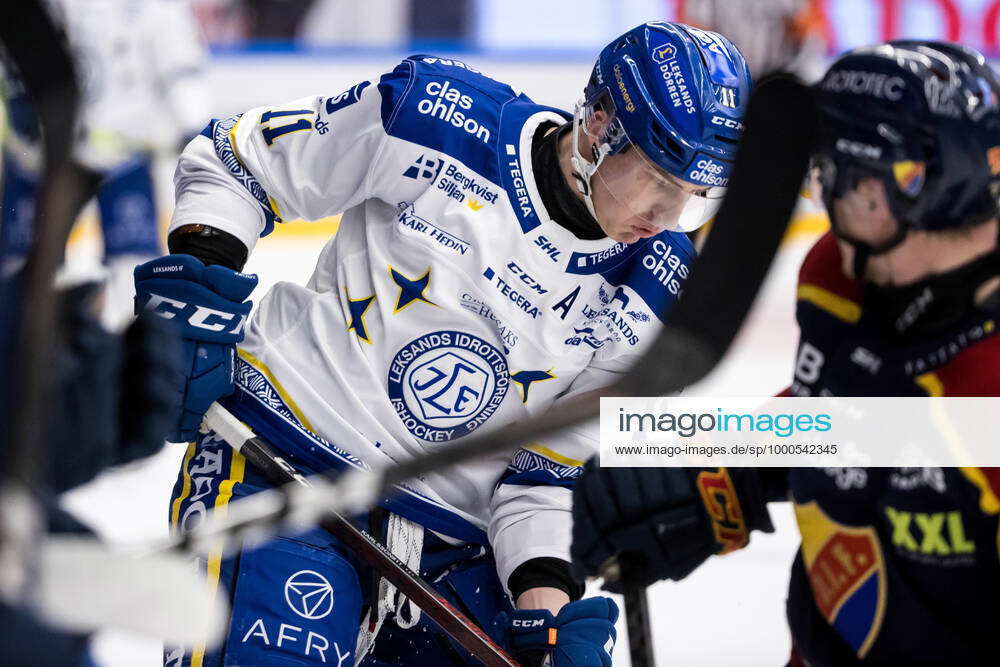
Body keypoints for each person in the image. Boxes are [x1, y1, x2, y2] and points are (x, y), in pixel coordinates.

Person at [135, 20, 752, 666]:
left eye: (691, 196)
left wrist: (548, 614)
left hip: (456, 558)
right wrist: (192, 308)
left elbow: (546, 478)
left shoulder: (658, 287)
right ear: (600, 125)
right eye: (657, 179)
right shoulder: (438, 117)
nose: (666, 217)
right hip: (283, 467)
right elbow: (238, 162)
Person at [570, 40, 1000, 666]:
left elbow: (939, 430)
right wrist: (721, 467)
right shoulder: (845, 277)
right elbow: (845, 416)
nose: (834, 222)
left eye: (853, 194)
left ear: (923, 193)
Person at [1, 0, 209, 331]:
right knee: (21, 265)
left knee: (133, 265)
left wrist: (191, 122)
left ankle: (133, 350)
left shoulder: (151, 8)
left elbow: (178, 62)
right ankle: (23, 353)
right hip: (39, 157)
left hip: (118, 154)